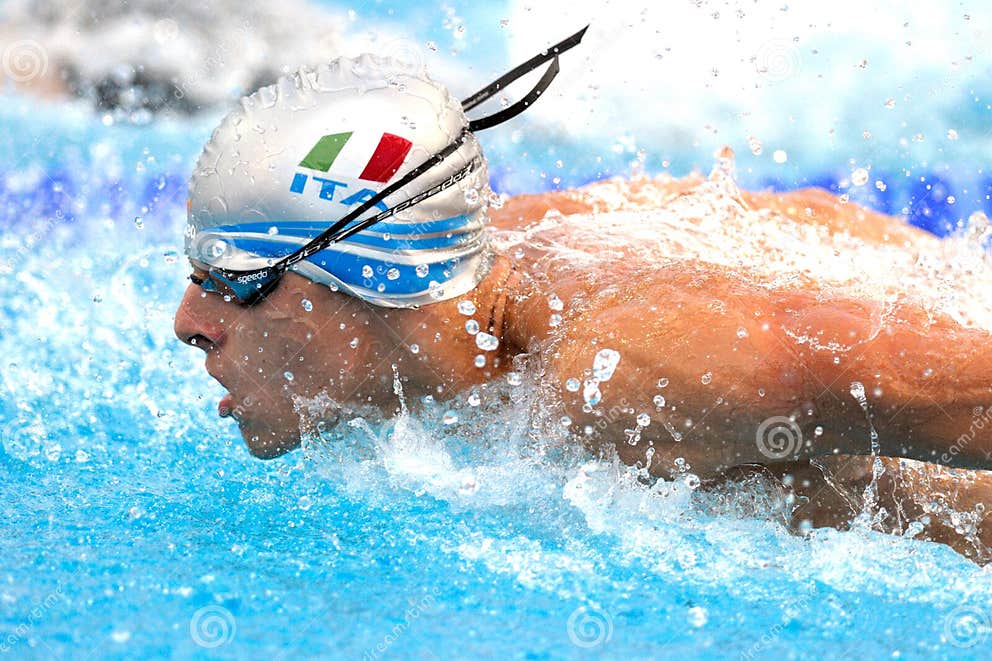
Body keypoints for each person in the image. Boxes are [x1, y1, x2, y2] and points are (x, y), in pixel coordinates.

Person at [173, 54, 992, 561]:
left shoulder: (621, 376)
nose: (189, 322)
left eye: (237, 280)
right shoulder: (507, 250)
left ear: (372, 274)